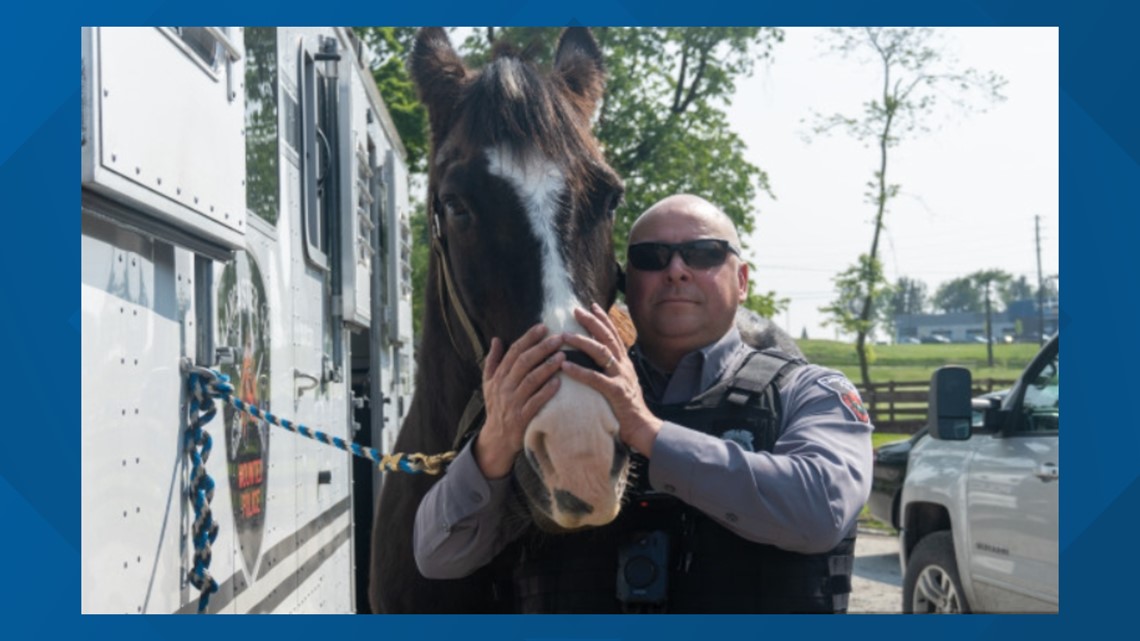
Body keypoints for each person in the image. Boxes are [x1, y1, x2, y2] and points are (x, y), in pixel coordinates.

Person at [412, 194, 874, 613]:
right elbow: (438, 557)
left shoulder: (810, 391)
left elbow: (821, 511)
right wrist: (491, 447)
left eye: (703, 253)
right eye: (651, 258)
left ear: (743, 278)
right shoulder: (560, 399)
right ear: (623, 283)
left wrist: (647, 433)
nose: (675, 269)